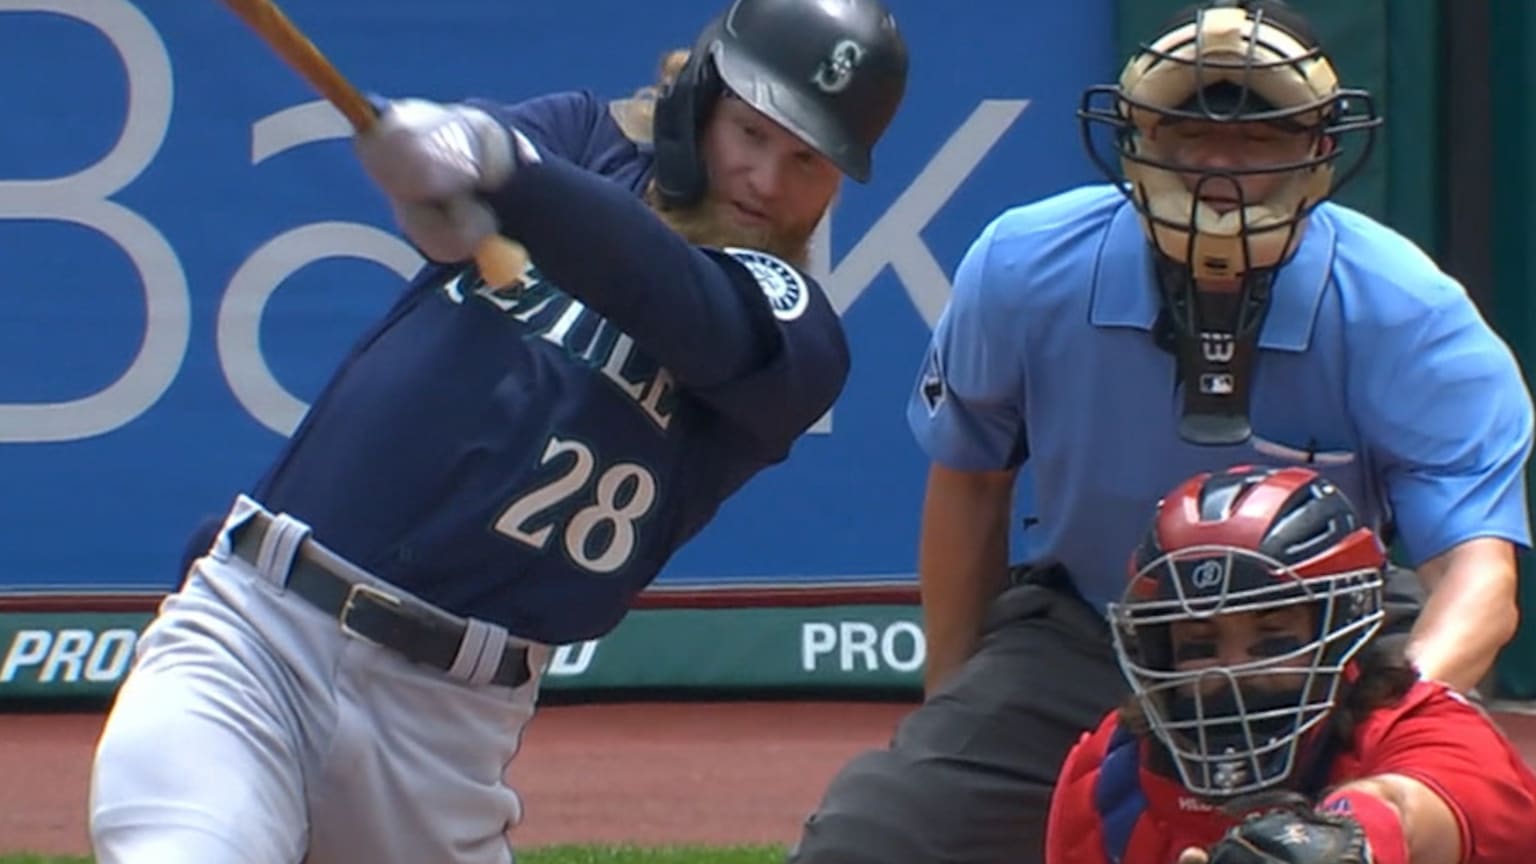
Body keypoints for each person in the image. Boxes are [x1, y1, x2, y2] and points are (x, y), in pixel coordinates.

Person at [87, 1, 908, 862]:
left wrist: (507, 171)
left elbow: (682, 301)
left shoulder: (799, 338)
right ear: (700, 95)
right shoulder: (583, 137)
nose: (767, 181)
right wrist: (448, 167)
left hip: (446, 740)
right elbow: (467, 170)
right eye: (750, 131)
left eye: (807, 160)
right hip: (257, 641)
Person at [790, 1, 1532, 862]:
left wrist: (1384, 716)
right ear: (1136, 136)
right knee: (873, 839)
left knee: (1451, 817)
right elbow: (970, 482)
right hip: (1092, 630)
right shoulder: (1025, 266)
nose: (1219, 166)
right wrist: (952, 709)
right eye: (1186, 133)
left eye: (1259, 139)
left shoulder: (1410, 311)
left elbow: (1480, 577)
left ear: (1321, 149)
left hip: (1326, 644)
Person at [1046, 465, 1536, 864]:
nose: (1233, 670)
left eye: (1274, 638)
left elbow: (1410, 806)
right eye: (1199, 645)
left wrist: (1343, 840)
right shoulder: (1112, 773)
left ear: (1339, 628)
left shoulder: (1424, 726)